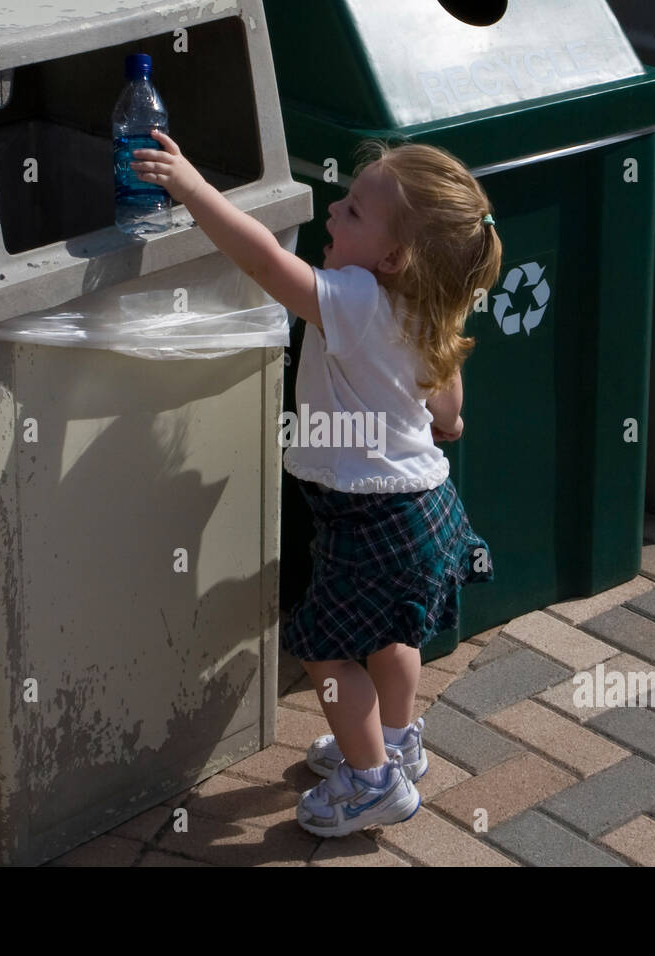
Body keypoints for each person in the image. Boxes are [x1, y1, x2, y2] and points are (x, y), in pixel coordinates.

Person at [132, 130, 499, 837]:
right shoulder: (429, 309)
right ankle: (392, 742)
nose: (333, 212)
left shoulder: (358, 298)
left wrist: (192, 187)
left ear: (393, 257)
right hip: (425, 510)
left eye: (354, 212)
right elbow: (450, 417)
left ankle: (370, 784)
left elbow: (267, 262)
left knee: (325, 647)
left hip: (369, 518)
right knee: (393, 635)